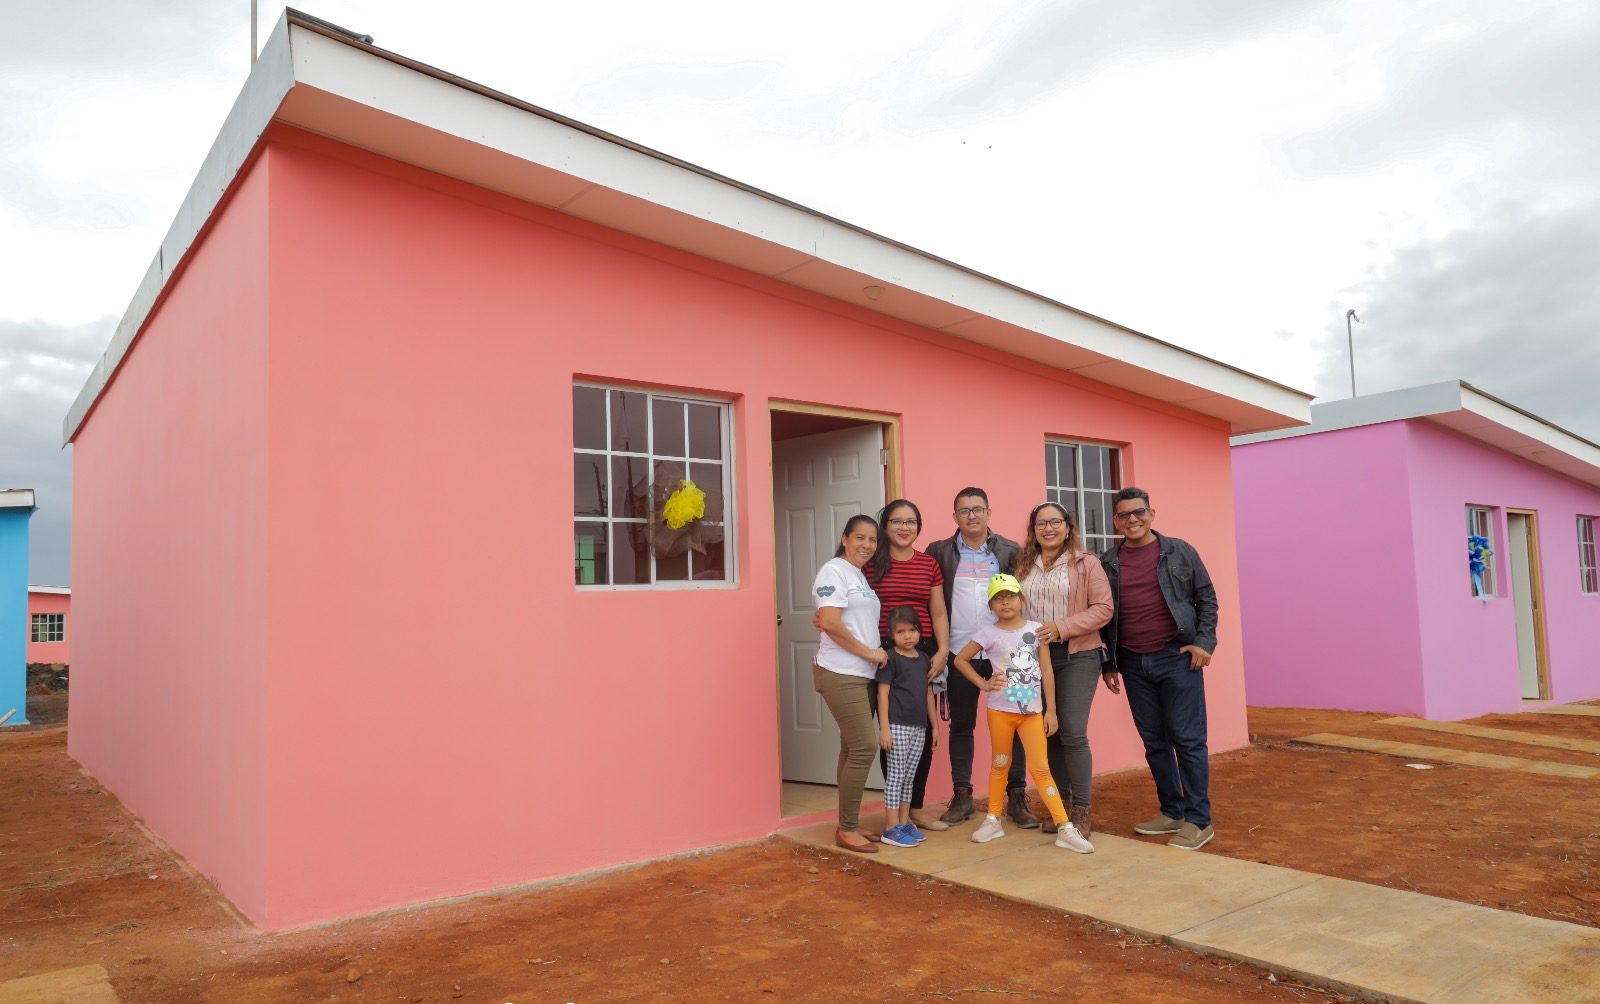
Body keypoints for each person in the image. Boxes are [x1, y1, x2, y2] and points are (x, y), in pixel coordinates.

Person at [1098, 487, 1219, 851]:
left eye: (1138, 513)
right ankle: (1172, 811)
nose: (1132, 520)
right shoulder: (1108, 561)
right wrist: (1110, 663)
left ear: (1152, 514)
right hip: (1133, 662)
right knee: (1154, 743)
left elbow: (1206, 598)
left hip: (1177, 658)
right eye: (1123, 515)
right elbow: (1103, 617)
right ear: (1115, 521)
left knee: (1188, 739)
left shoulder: (1180, 551)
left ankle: (1199, 820)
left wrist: (1203, 642)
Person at [952, 574, 1092, 853]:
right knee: (999, 765)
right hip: (1000, 712)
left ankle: (1064, 827)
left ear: (1021, 599)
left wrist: (1051, 711)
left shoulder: (1036, 629)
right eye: (998, 598)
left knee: (1041, 769)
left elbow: (1048, 671)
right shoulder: (987, 633)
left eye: (1010, 596)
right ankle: (993, 819)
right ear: (991, 605)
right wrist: (983, 684)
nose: (1005, 602)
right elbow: (960, 659)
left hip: (1032, 714)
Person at [927, 488, 1036, 828]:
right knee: (962, 725)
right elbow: (934, 602)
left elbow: (1020, 598)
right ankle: (962, 796)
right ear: (954, 516)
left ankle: (1016, 796)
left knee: (1015, 724)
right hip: (960, 652)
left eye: (977, 509)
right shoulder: (939, 552)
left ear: (989, 512)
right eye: (964, 510)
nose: (971, 515)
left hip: (1007, 654)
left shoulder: (1009, 551)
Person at [1013, 501, 1113, 838]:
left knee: (1071, 729)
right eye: (1041, 523)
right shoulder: (1023, 565)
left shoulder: (1087, 564)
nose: (1049, 528)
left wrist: (1062, 626)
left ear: (1068, 527)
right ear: (1033, 530)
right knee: (1048, 732)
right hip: (1034, 659)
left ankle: (1082, 810)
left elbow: (1103, 609)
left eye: (1055, 521)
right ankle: (1061, 808)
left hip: (1077, 655)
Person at [813, 514, 889, 854]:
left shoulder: (857, 575)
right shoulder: (833, 571)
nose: (867, 545)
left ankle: (850, 822)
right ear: (845, 539)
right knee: (863, 747)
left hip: (862, 674)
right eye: (860, 538)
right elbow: (829, 622)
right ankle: (847, 829)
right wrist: (868, 653)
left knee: (850, 748)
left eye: (872, 540)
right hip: (841, 671)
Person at [875, 605, 940, 848]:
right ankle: (890, 827)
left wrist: (934, 726)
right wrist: (884, 729)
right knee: (896, 776)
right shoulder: (890, 658)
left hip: (919, 727)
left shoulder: (923, 659)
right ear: (891, 635)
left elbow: (927, 694)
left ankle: (903, 824)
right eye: (901, 631)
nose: (908, 636)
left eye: (912, 630)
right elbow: (883, 695)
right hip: (897, 727)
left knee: (909, 777)